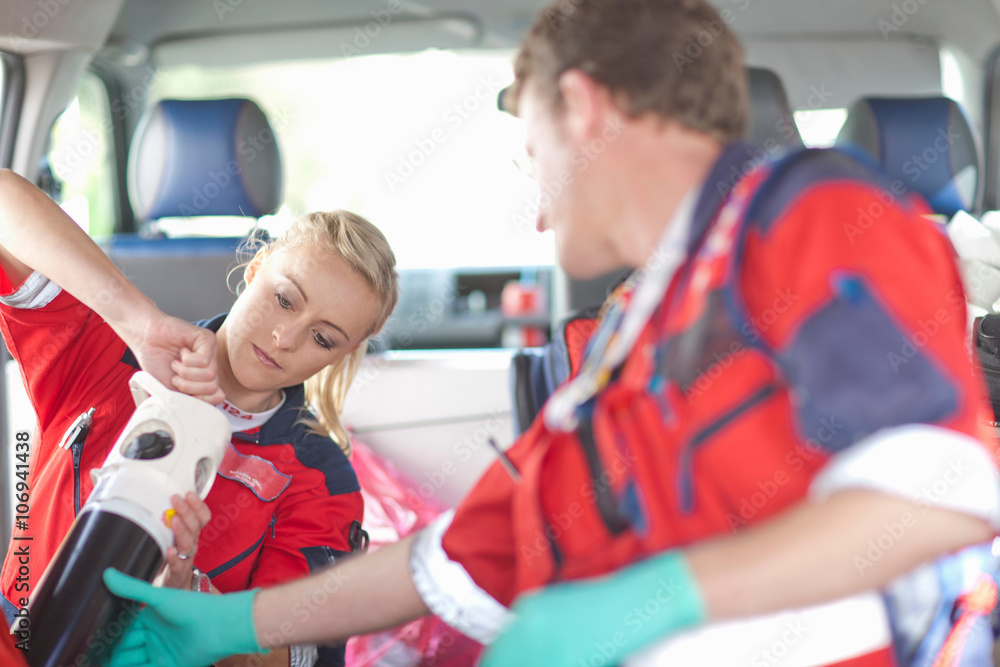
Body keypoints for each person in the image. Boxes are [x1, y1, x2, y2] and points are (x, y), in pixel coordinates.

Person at [102, 0, 1000, 665]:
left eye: (531, 154)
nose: (536, 212)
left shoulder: (815, 215)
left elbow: (938, 498)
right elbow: (458, 557)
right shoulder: (628, 338)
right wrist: (237, 623)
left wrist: (665, 595)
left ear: (582, 110)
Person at [0, 169, 399, 667]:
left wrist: (188, 589)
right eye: (284, 299)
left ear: (341, 355)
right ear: (256, 268)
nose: (285, 338)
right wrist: (138, 323)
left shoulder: (318, 479)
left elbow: (291, 653)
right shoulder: (110, 353)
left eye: (323, 338)